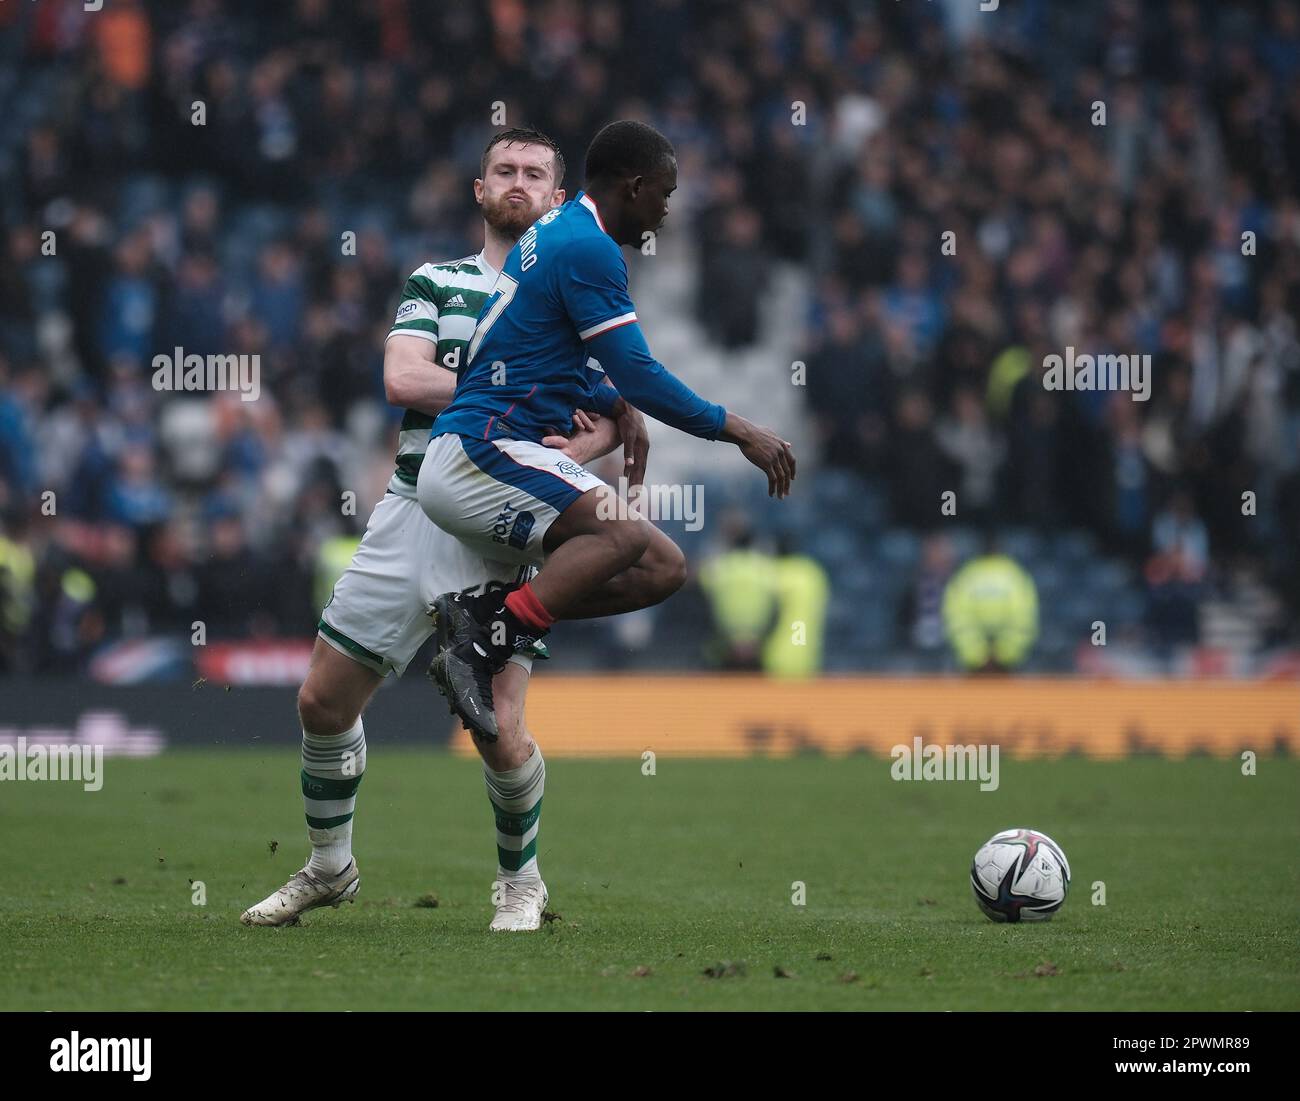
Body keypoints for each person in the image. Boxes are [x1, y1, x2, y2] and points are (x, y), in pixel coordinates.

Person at [241, 128, 635, 933]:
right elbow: (400, 375)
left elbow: (605, 423)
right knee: (321, 701)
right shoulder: (439, 280)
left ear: (559, 198)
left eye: (535, 173)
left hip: (505, 525)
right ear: (479, 190)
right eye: (503, 171)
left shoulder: (575, 291)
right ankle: (329, 866)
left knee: (497, 727)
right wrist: (511, 387)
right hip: (414, 505)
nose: (518, 182)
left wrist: (582, 440)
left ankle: (521, 882)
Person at [417, 120, 795, 746]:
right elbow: (640, 373)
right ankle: (483, 641)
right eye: (665, 195)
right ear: (635, 184)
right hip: (480, 448)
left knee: (663, 568)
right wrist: (739, 430)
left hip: (487, 447)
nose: (667, 212)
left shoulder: (557, 234)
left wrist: (616, 404)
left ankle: (484, 619)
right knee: (619, 534)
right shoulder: (588, 248)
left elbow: (546, 357)